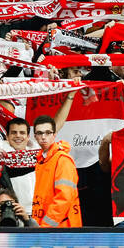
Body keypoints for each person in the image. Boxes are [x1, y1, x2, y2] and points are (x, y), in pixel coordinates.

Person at [31, 85, 83, 228]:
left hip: (60, 229)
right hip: (45, 226)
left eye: (48, 133)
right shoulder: (40, 160)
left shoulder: (62, 160)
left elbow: (64, 197)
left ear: (54, 135)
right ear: (35, 136)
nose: (43, 137)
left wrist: (45, 226)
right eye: (40, 133)